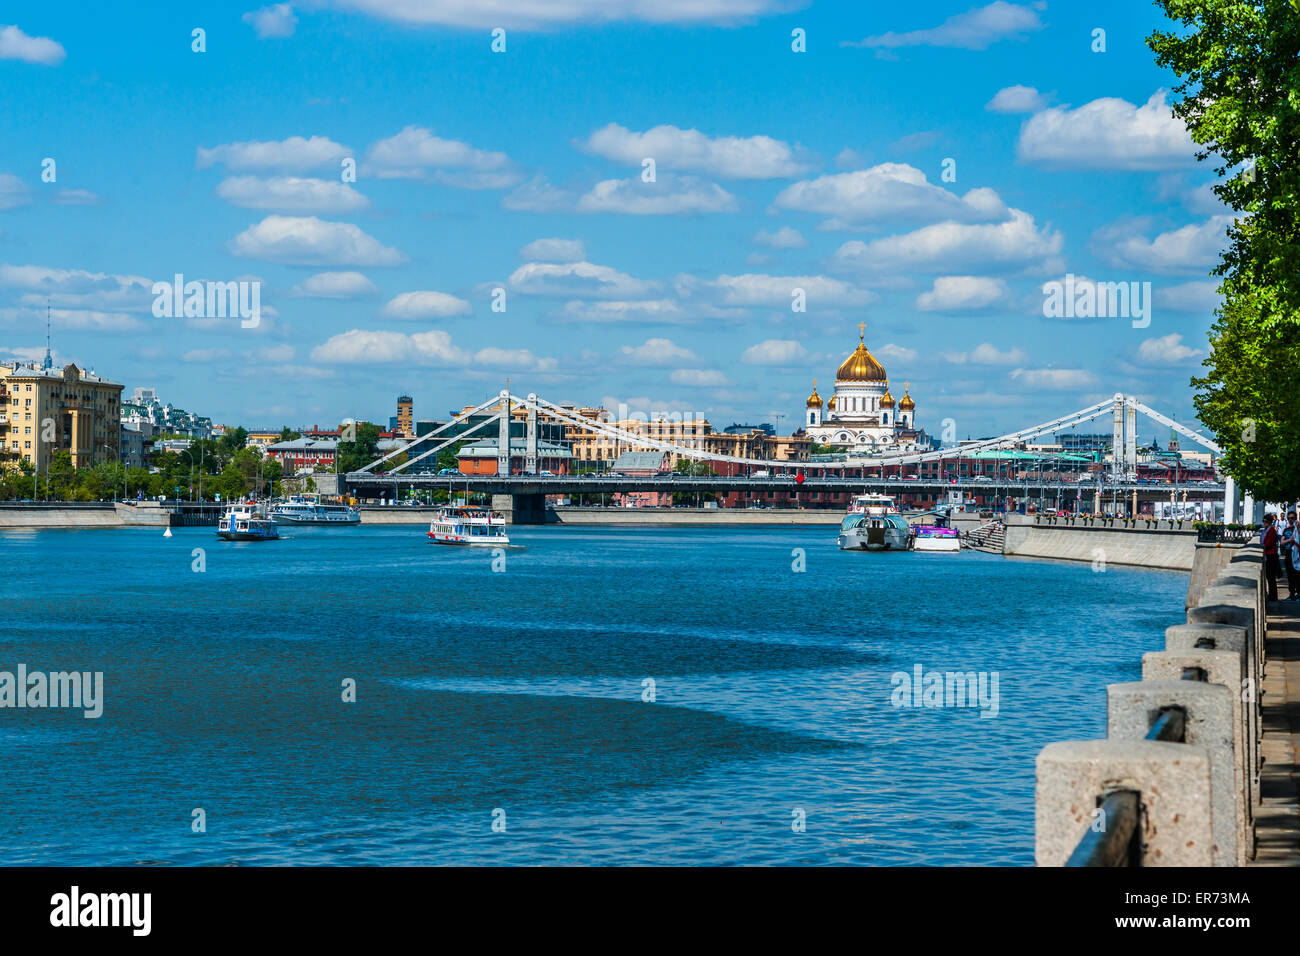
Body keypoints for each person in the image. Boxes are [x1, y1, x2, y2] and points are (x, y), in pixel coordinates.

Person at [1261, 512, 1281, 601]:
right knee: (1269, 577)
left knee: (1271, 577)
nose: (1264, 523)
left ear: (1269, 522)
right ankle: (1272, 595)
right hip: (1268, 555)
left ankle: (1273, 596)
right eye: (1263, 521)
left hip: (1271, 556)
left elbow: (1268, 543)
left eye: (1265, 521)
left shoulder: (1271, 530)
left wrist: (1262, 546)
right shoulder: (1267, 530)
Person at [1284, 511, 1300, 600]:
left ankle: (1298, 593)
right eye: (1289, 518)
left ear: (1296, 518)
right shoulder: (1286, 530)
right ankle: (1292, 593)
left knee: (1297, 574)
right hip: (1288, 553)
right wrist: (1290, 540)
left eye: (1292, 518)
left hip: (1297, 553)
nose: (1290, 520)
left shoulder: (1298, 528)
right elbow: (1282, 542)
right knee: (1289, 574)